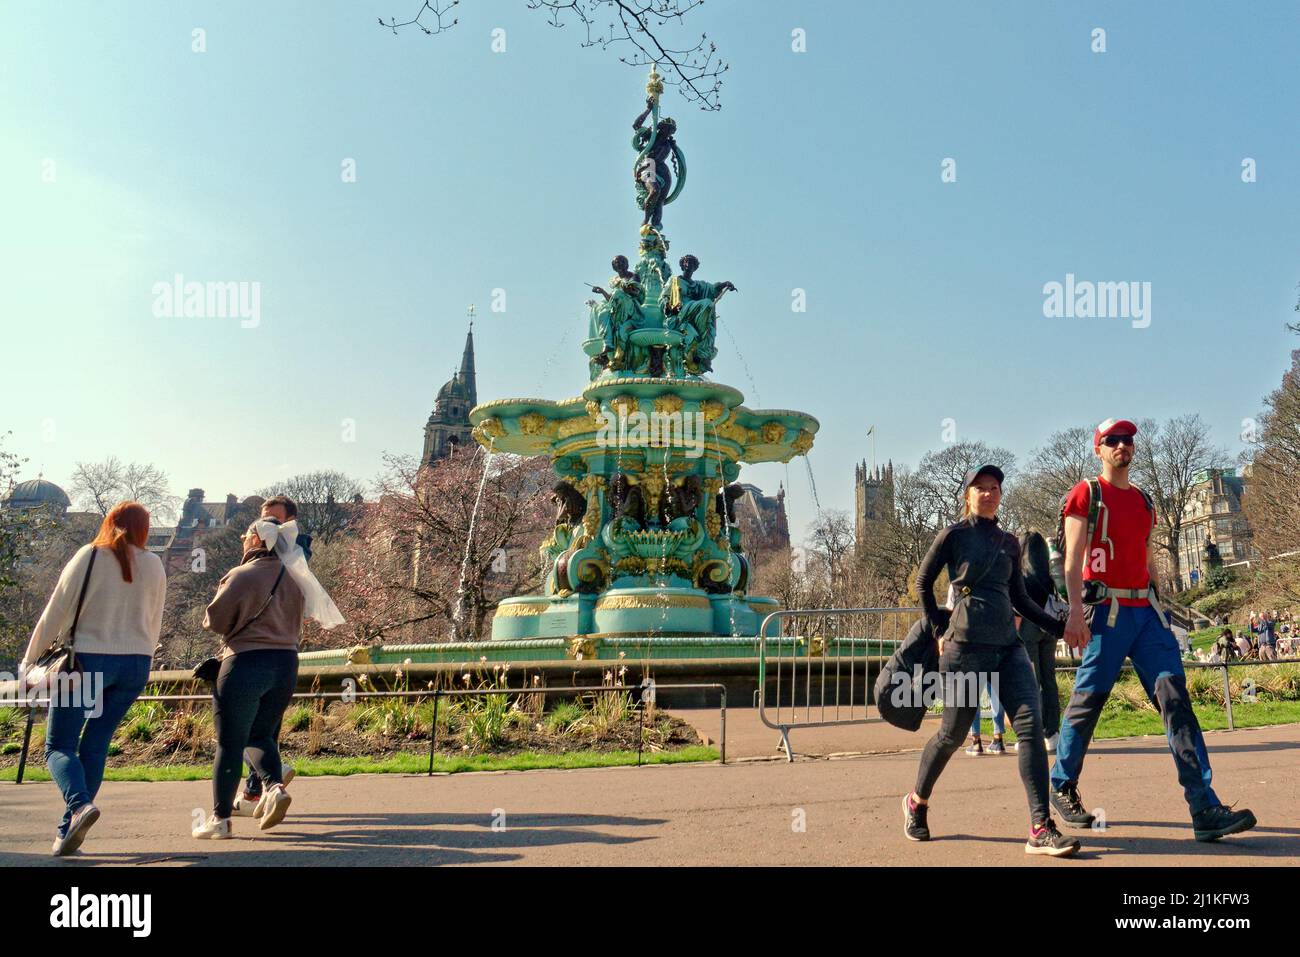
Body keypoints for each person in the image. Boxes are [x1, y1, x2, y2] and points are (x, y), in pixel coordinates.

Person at [1050, 418, 1256, 842]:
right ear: (1099, 449)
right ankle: (1061, 784)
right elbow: (1072, 560)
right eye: (1113, 440)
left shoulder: (1144, 501)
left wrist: (1162, 606)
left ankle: (1203, 805)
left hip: (1146, 611)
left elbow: (1148, 559)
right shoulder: (1087, 494)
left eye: (1128, 440)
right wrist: (1073, 612)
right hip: (1105, 611)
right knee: (1088, 702)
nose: (1122, 445)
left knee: (1176, 699)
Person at [902, 465, 1078, 857]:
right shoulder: (953, 535)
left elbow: (1021, 599)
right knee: (952, 733)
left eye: (994, 487)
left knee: (1031, 728)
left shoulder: (1009, 542)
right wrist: (936, 627)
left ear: (1000, 494)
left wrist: (1058, 625)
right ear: (967, 495)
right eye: (980, 487)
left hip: (1008, 648)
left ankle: (1040, 827)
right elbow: (922, 582)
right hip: (965, 649)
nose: (988, 493)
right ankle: (917, 802)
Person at [21, 503, 166, 856]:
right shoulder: (155, 564)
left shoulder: (89, 556)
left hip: (86, 662)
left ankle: (79, 806)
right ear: (144, 530)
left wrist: (28, 662)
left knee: (59, 746)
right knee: (97, 742)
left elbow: (54, 612)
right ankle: (68, 829)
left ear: (110, 522)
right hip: (136, 663)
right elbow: (155, 619)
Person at [192, 515, 343, 839]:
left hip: (246, 663)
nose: (243, 541)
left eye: (247, 536)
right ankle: (274, 788)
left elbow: (215, 621)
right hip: (286, 664)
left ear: (258, 540)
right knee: (260, 735)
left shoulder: (241, 575)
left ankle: (219, 820)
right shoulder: (297, 577)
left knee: (230, 742)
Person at [229, 495, 305, 817]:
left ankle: (261, 786)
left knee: (248, 729)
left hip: (260, 653)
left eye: (274, 519)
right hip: (279, 655)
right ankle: (256, 792)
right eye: (262, 518)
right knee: (261, 728)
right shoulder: (257, 561)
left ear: (289, 521)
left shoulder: (295, 553)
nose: (265, 525)